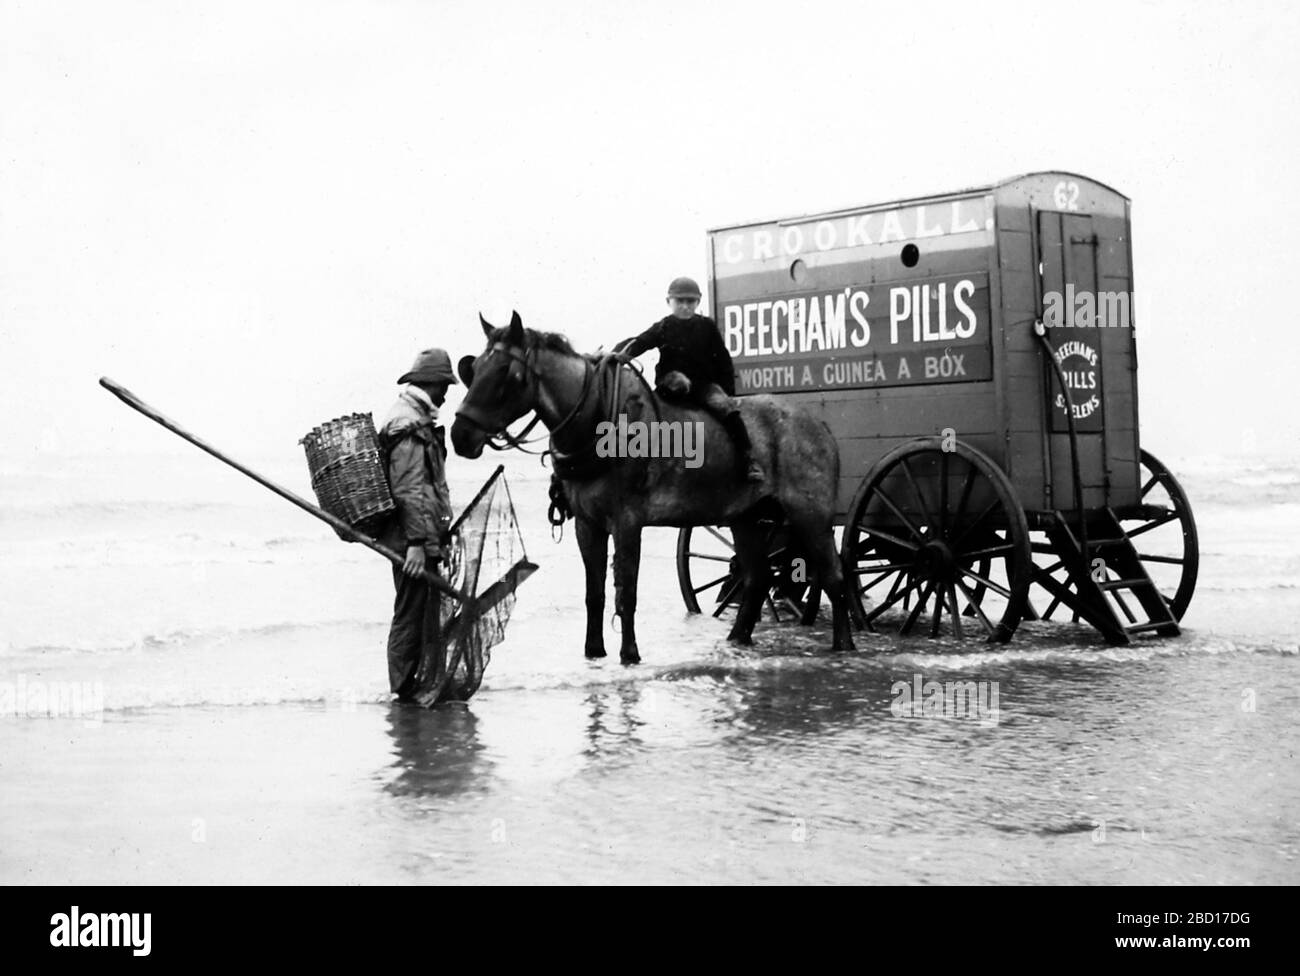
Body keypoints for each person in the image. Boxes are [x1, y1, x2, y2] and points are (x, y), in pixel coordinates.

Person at [614, 276, 763, 482]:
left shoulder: (707, 327)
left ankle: (749, 460)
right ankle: (638, 463)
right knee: (648, 413)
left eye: (690, 301)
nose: (685, 306)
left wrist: (728, 392)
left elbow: (723, 360)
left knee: (727, 411)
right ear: (669, 302)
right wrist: (617, 355)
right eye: (679, 301)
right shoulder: (663, 327)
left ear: (698, 302)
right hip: (671, 386)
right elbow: (640, 342)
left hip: (703, 386)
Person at [377, 348, 457, 701]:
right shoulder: (407, 422)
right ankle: (404, 690)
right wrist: (415, 543)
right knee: (411, 611)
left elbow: (427, 487)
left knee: (424, 611)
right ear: (432, 383)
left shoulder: (417, 417)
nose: (447, 393)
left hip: (422, 536)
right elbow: (409, 488)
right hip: (410, 539)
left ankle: (417, 686)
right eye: (445, 386)